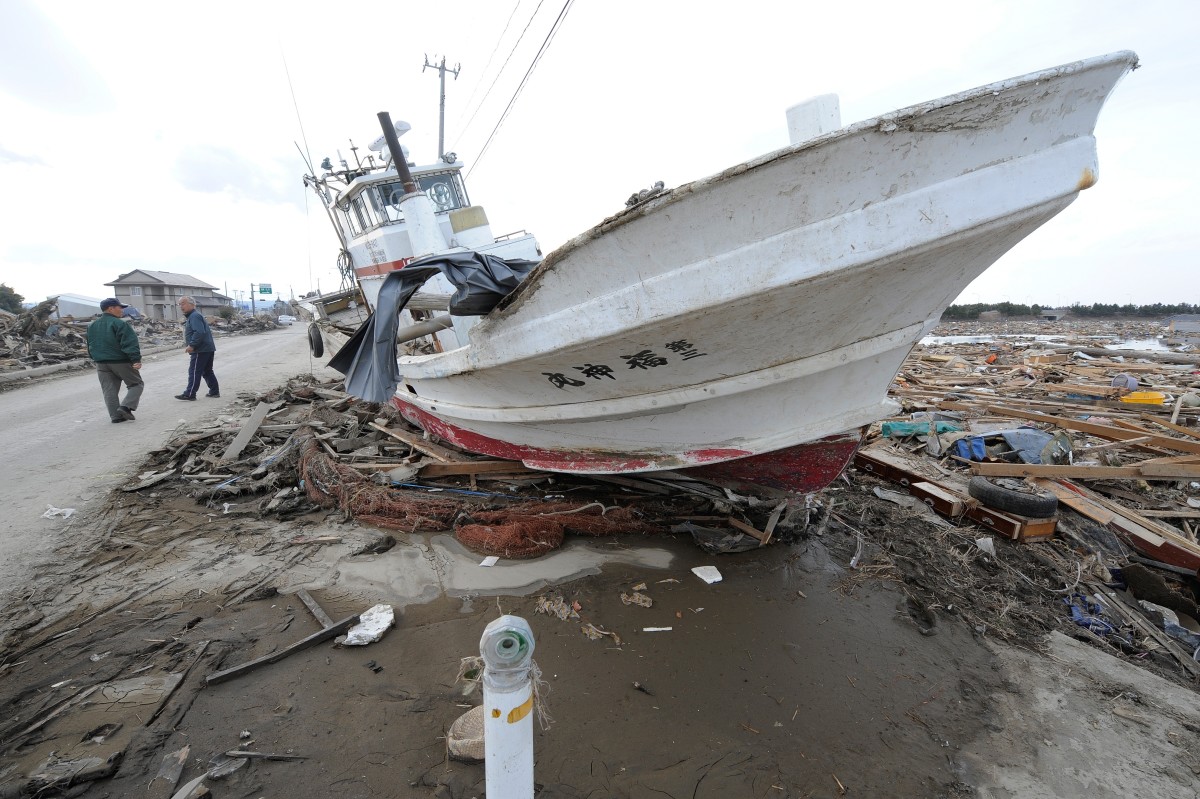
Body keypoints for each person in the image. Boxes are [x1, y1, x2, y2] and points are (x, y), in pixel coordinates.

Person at [86, 298, 143, 423]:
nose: (122, 309)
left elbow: (90, 344)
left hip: (101, 363)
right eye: (119, 307)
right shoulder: (120, 324)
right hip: (120, 361)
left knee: (109, 389)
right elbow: (129, 343)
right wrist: (135, 360)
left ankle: (116, 417)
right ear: (111, 308)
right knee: (136, 384)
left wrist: (94, 357)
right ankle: (125, 407)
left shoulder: (92, 325)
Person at [175, 295, 219, 400]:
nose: (181, 306)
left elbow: (199, 332)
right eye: (180, 304)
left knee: (194, 371)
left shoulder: (194, 316)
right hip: (207, 348)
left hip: (201, 349)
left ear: (192, 304)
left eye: (183, 303)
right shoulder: (194, 316)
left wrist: (192, 345)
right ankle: (214, 391)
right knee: (207, 371)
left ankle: (190, 394)